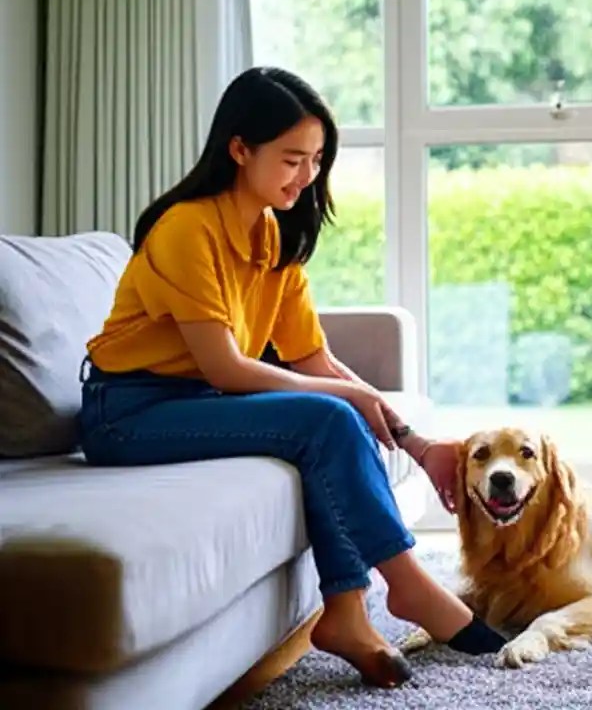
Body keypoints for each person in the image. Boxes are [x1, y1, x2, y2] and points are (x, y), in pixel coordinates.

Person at [76, 66, 505, 688]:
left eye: (316, 160)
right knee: (326, 416)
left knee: (328, 419)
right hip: (126, 412)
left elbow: (313, 360)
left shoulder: (273, 236)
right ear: (239, 149)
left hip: (196, 400)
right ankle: (409, 585)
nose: (306, 177)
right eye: (291, 159)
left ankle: (347, 613)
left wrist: (415, 443)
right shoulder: (186, 229)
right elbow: (226, 366)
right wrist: (348, 396)